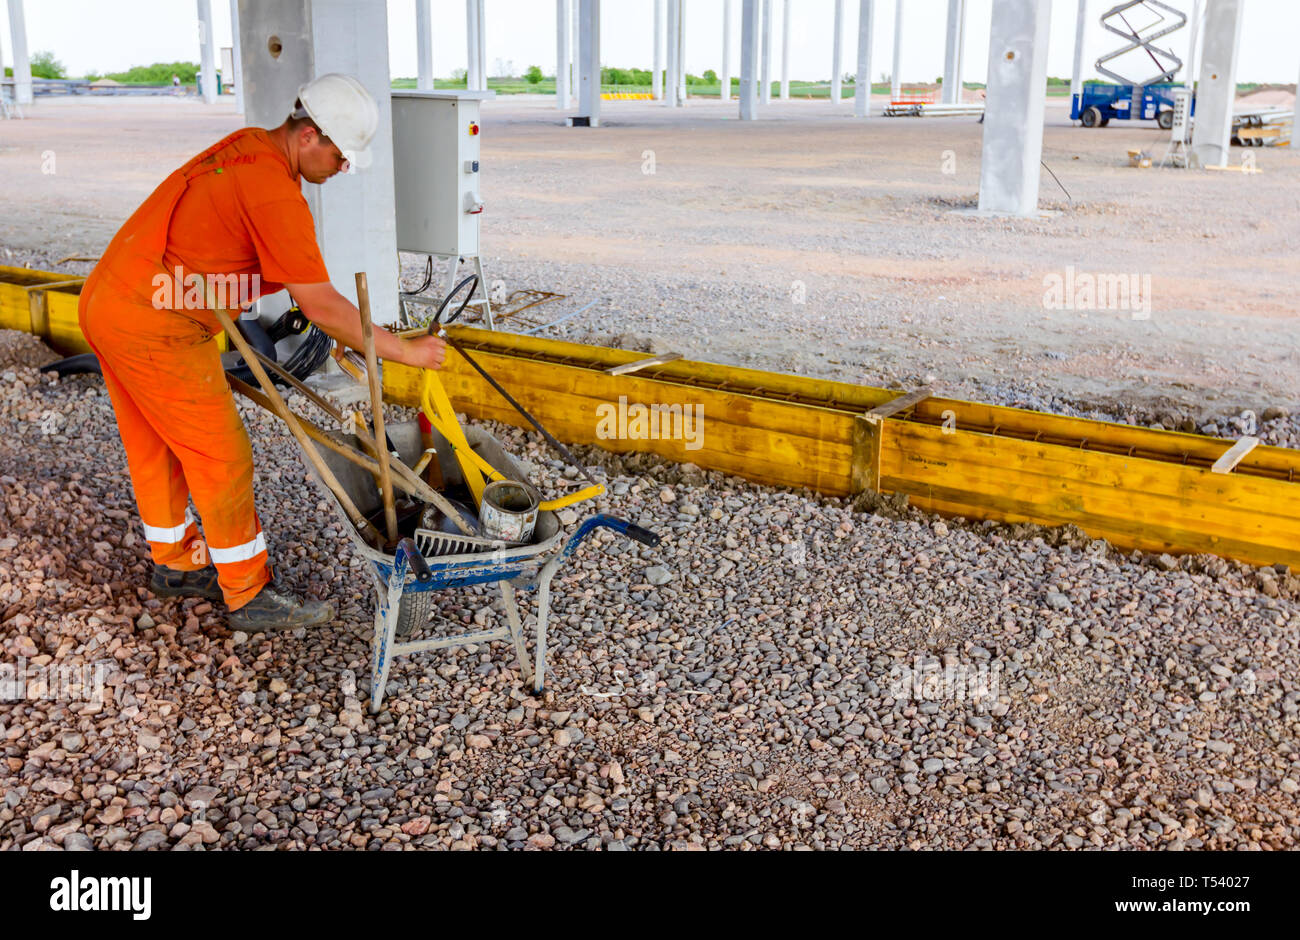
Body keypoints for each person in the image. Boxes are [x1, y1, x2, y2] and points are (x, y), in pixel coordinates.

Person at [78, 73, 446, 631]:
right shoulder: (273, 189)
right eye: (342, 156)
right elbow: (320, 305)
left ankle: (175, 565)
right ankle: (247, 594)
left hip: (115, 299)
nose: (342, 169)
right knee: (222, 455)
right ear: (309, 135)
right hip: (156, 322)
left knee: (157, 443)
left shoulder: (250, 148)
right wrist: (404, 351)